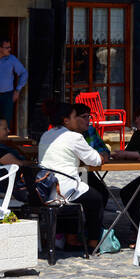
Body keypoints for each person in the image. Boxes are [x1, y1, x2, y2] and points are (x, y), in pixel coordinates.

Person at [37, 103, 107, 250]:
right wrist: (104, 156)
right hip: (64, 187)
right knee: (97, 198)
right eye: (76, 117)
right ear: (66, 120)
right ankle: (93, 242)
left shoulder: (46, 134)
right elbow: (95, 159)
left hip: (46, 187)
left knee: (82, 194)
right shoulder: (73, 137)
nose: (81, 120)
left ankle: (71, 238)